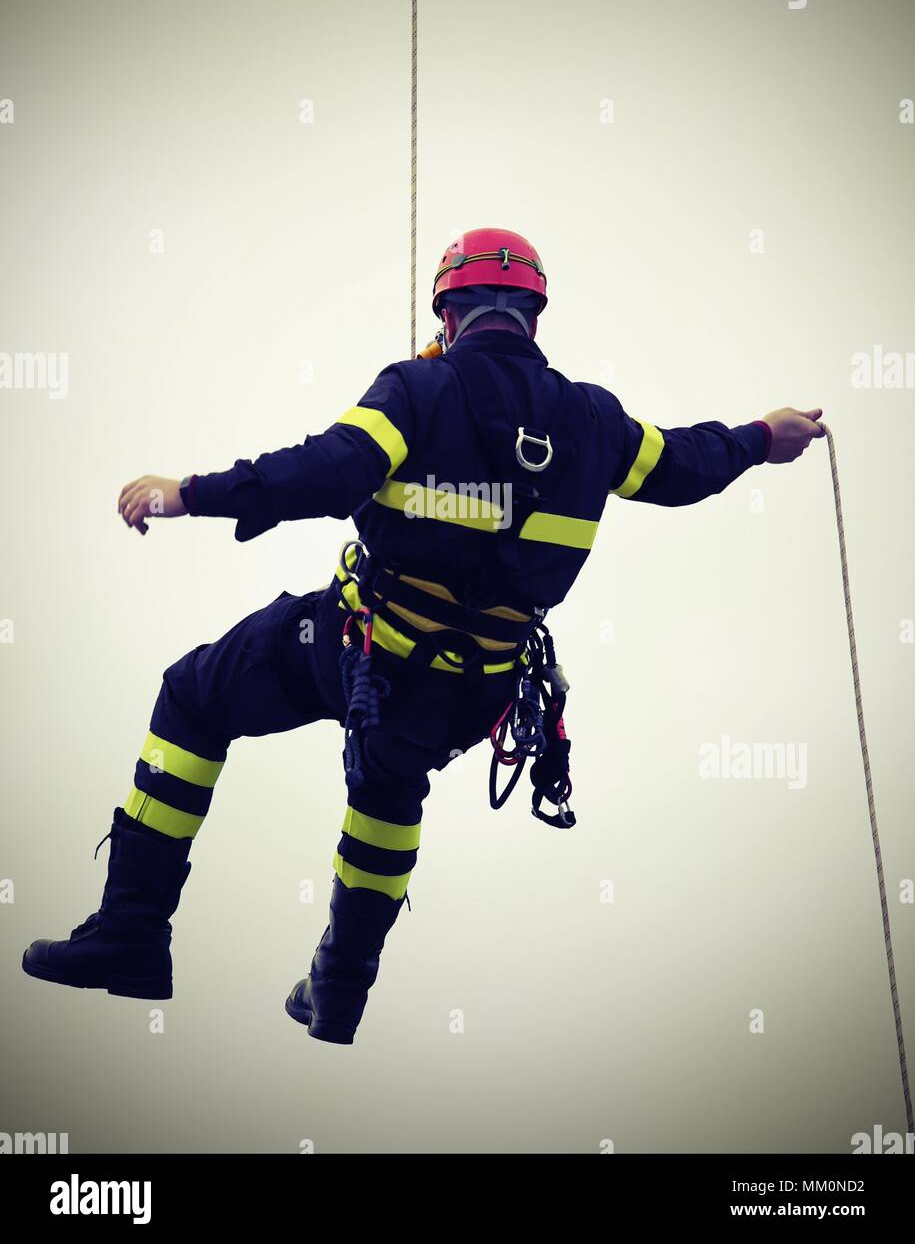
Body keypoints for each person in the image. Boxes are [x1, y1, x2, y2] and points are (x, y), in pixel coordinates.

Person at [21, 227, 825, 1044]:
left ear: (446, 310)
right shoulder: (594, 422)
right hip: (477, 689)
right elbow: (686, 463)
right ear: (534, 321)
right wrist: (765, 436)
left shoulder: (417, 388)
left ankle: (130, 933)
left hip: (363, 644)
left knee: (193, 697)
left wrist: (188, 493)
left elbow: (329, 469)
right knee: (385, 791)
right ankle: (338, 989)